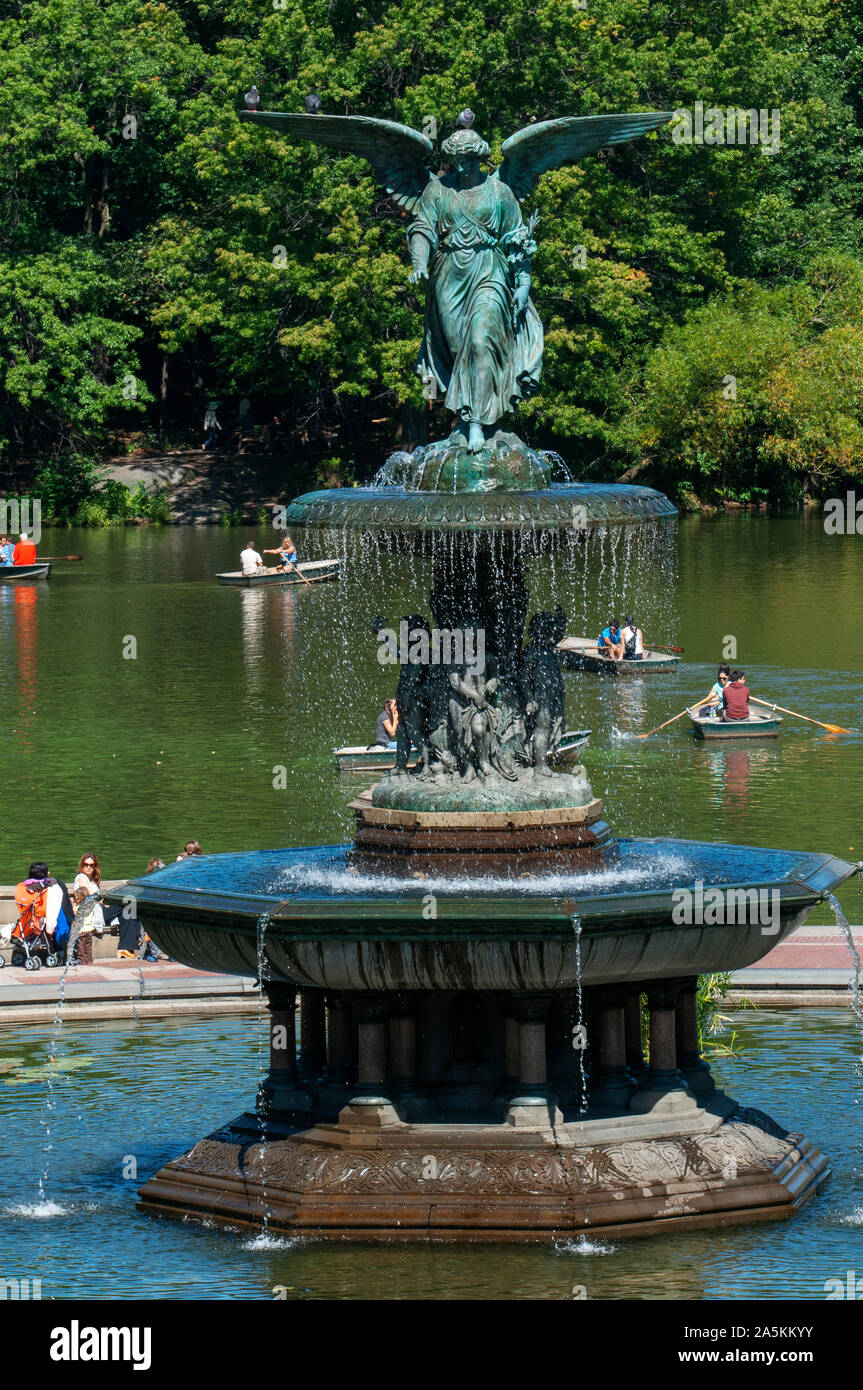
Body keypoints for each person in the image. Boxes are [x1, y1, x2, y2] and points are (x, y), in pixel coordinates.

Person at [14, 861, 75, 960]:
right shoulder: (50, 887)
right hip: (43, 919)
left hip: (28, 919)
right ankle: (59, 952)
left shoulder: (23, 888)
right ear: (46, 873)